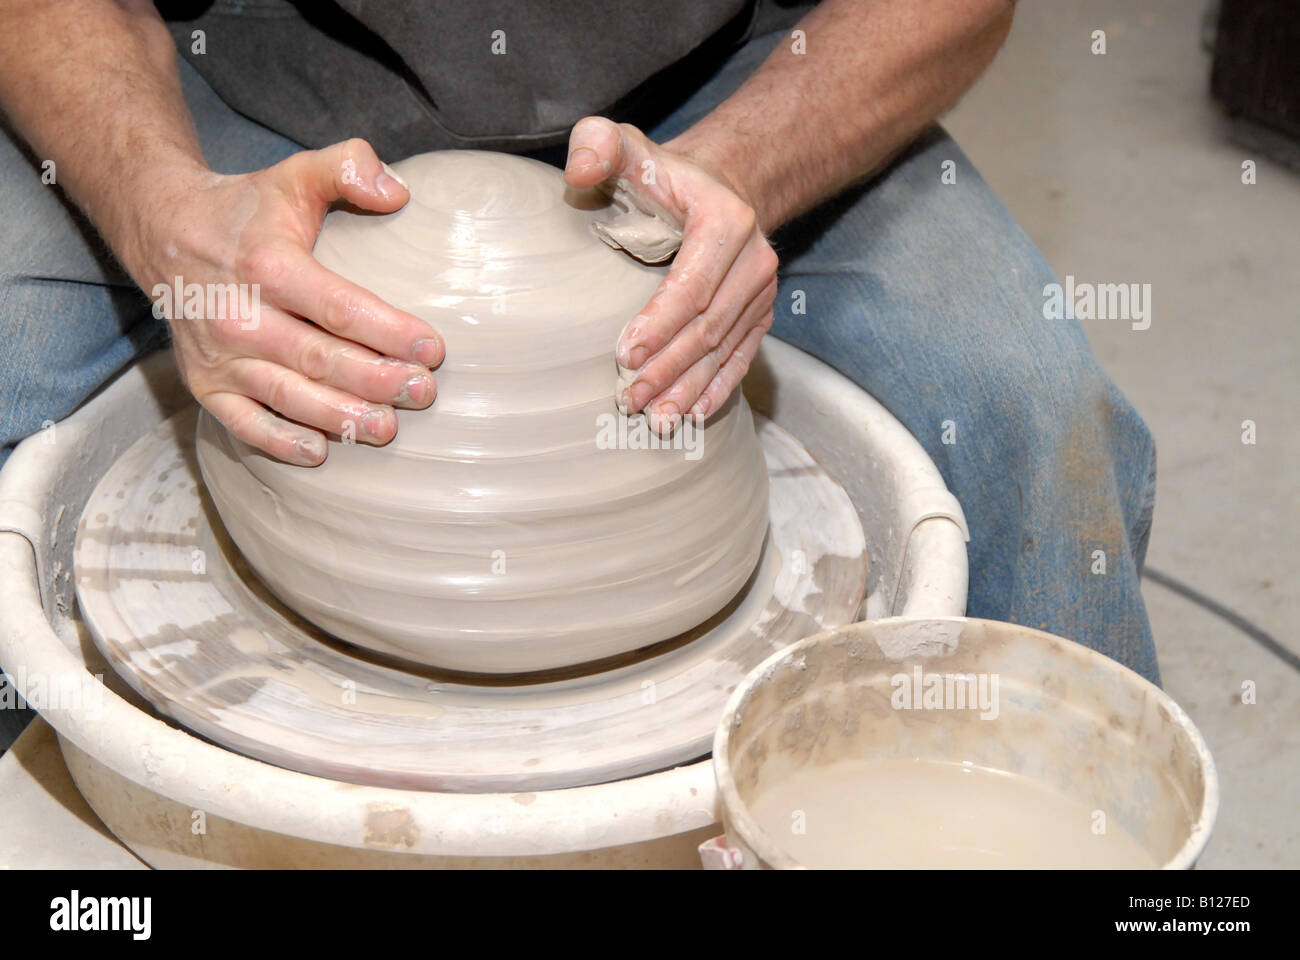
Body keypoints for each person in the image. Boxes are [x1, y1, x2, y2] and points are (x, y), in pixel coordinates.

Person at [0, 0, 1159, 697]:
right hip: (223, 81)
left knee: (1025, 417)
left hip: (732, 82)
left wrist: (740, 169)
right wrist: (164, 216)